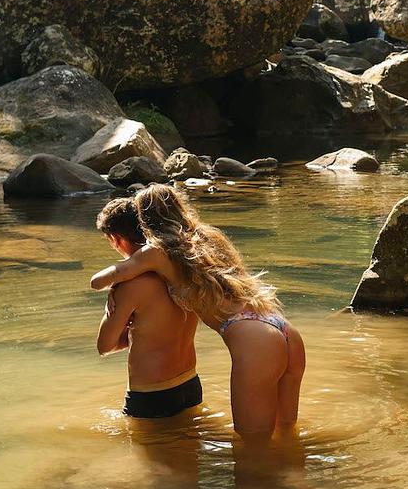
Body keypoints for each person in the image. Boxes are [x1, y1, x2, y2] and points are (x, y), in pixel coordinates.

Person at [90, 184, 305, 442]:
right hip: (280, 326)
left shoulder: (156, 253)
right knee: (287, 435)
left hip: (253, 339)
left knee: (253, 445)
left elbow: (99, 281)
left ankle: (265, 482)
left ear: (146, 221)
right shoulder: (208, 239)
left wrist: (114, 287)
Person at [94, 197, 202, 419]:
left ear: (117, 239)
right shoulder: (186, 270)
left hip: (152, 395)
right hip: (191, 383)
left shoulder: (130, 287)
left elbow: (105, 346)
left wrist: (119, 317)